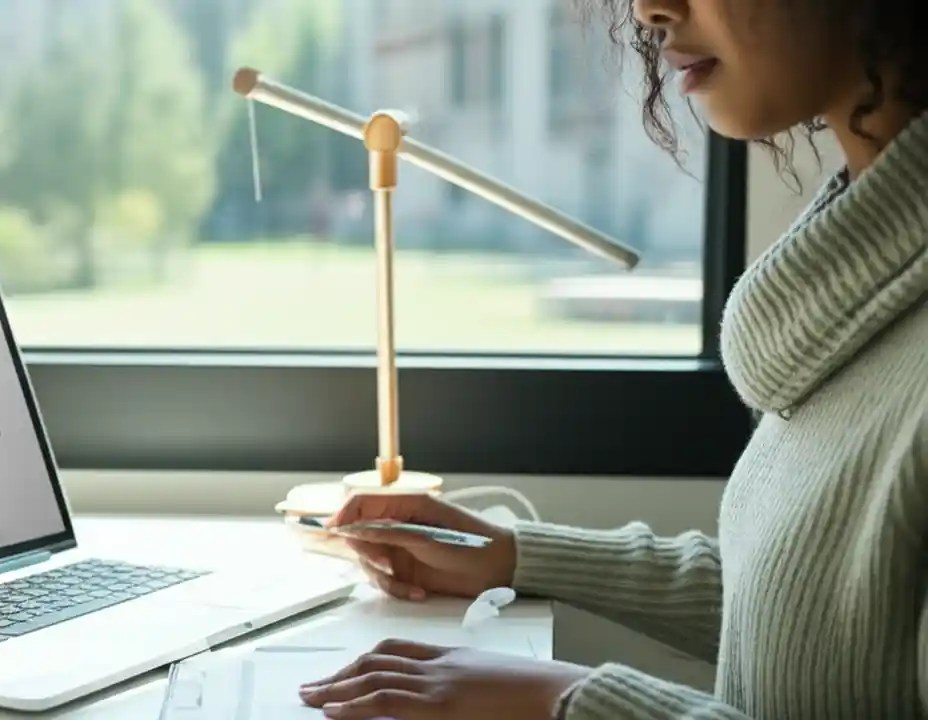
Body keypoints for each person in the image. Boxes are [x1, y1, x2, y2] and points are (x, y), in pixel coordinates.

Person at [298, 0, 928, 717]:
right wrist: (515, 555)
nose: (649, 8)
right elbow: (814, 606)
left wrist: (567, 699)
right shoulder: (862, 290)